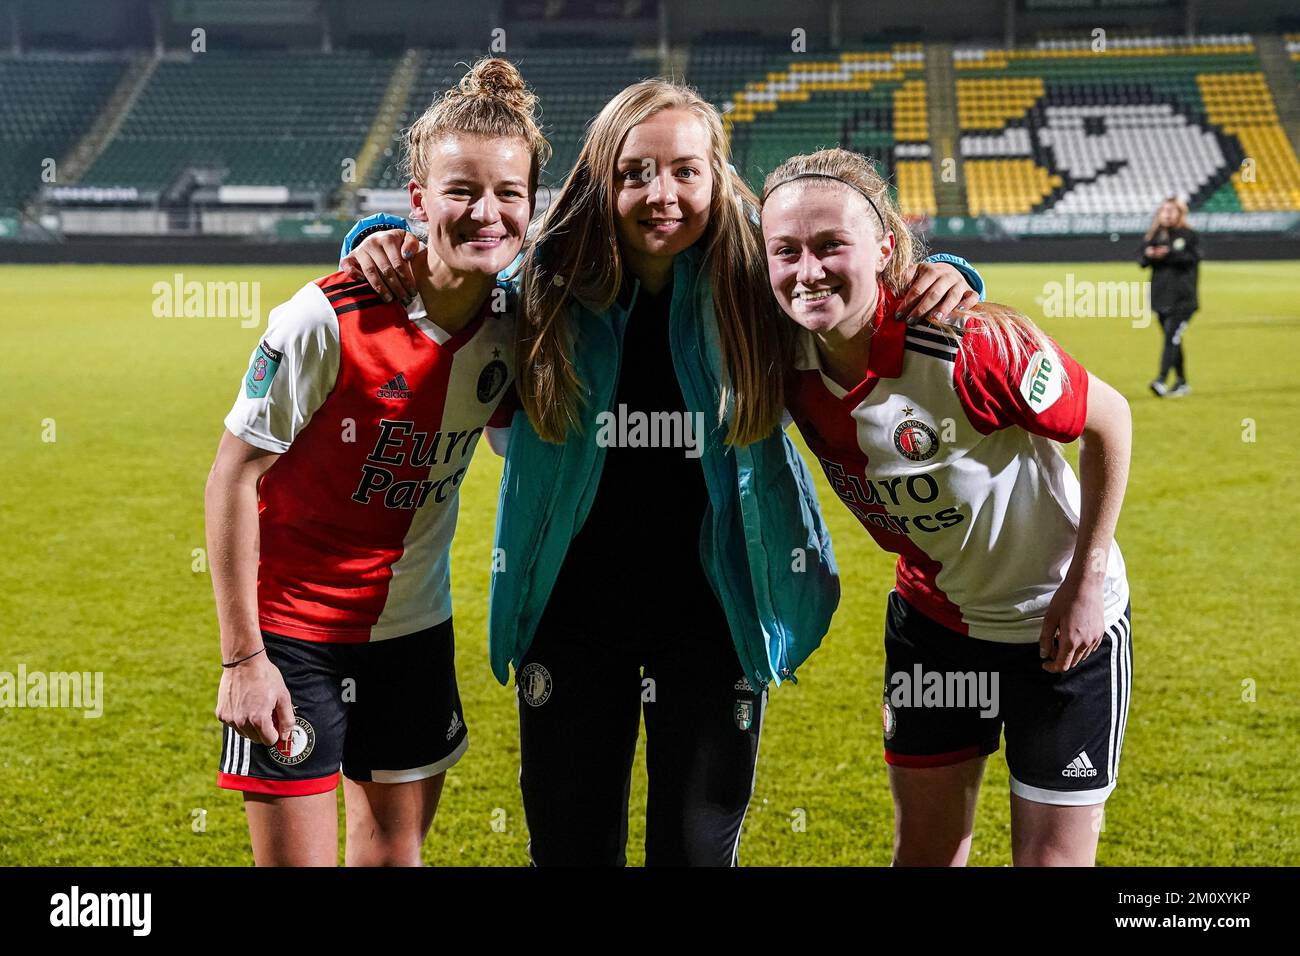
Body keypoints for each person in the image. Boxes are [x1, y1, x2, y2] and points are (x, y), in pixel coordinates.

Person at [346, 78, 985, 866]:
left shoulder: (761, 284)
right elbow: (454, 273)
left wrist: (953, 271)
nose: (663, 194)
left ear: (717, 177)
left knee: (695, 852)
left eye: (685, 170)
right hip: (570, 615)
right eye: (636, 172)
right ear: (601, 180)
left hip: (714, 618)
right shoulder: (545, 283)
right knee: (572, 849)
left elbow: (857, 288)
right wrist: (375, 234)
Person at [206, 58, 546, 866]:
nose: (487, 212)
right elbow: (232, 474)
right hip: (291, 635)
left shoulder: (516, 325)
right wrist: (243, 660)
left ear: (534, 206)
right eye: (461, 190)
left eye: (508, 193)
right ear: (418, 201)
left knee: (395, 853)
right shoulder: (323, 318)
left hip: (414, 633)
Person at [763, 148, 1132, 866]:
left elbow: (1110, 420)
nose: (808, 270)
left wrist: (1085, 584)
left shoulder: (972, 342)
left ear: (885, 247)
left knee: (1051, 862)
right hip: (933, 628)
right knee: (925, 854)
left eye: (832, 245)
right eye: (787, 251)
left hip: (1058, 629)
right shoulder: (776, 359)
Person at [1139, 196, 1200, 398]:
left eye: (1171, 210)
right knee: (1173, 340)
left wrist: (1168, 253)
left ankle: (1161, 380)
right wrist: (1151, 253)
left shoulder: (1188, 235)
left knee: (1170, 338)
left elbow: (1192, 258)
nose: (1167, 213)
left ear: (1180, 213)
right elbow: (1141, 261)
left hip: (1183, 299)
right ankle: (1182, 382)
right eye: (1164, 210)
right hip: (1161, 298)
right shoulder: (1154, 235)